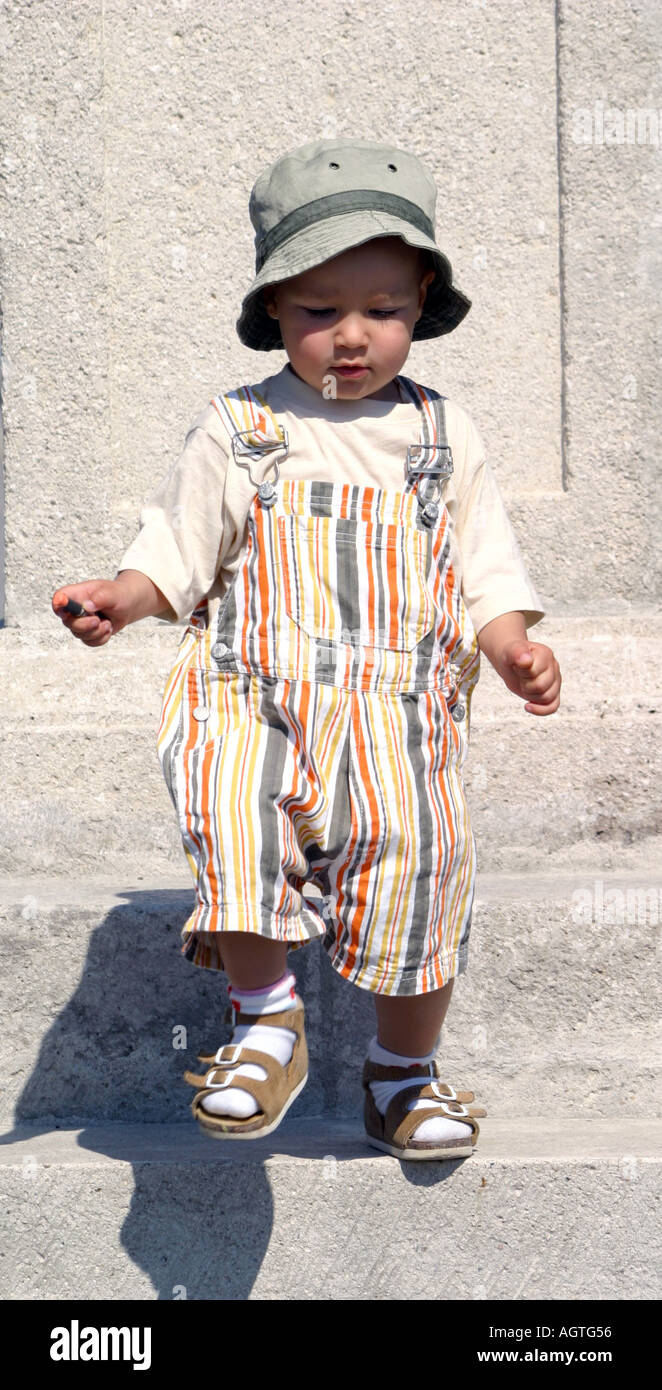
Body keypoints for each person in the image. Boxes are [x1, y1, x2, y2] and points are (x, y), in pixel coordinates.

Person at [52, 139, 561, 1161]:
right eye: (317, 311)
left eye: (379, 308)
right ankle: (267, 1019)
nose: (349, 336)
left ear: (420, 302)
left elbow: (485, 562)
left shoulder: (442, 437)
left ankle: (399, 1076)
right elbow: (179, 550)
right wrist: (126, 596)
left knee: (418, 872)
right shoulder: (241, 428)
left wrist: (507, 645)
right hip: (253, 689)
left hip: (395, 712)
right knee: (231, 809)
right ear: (273, 310)